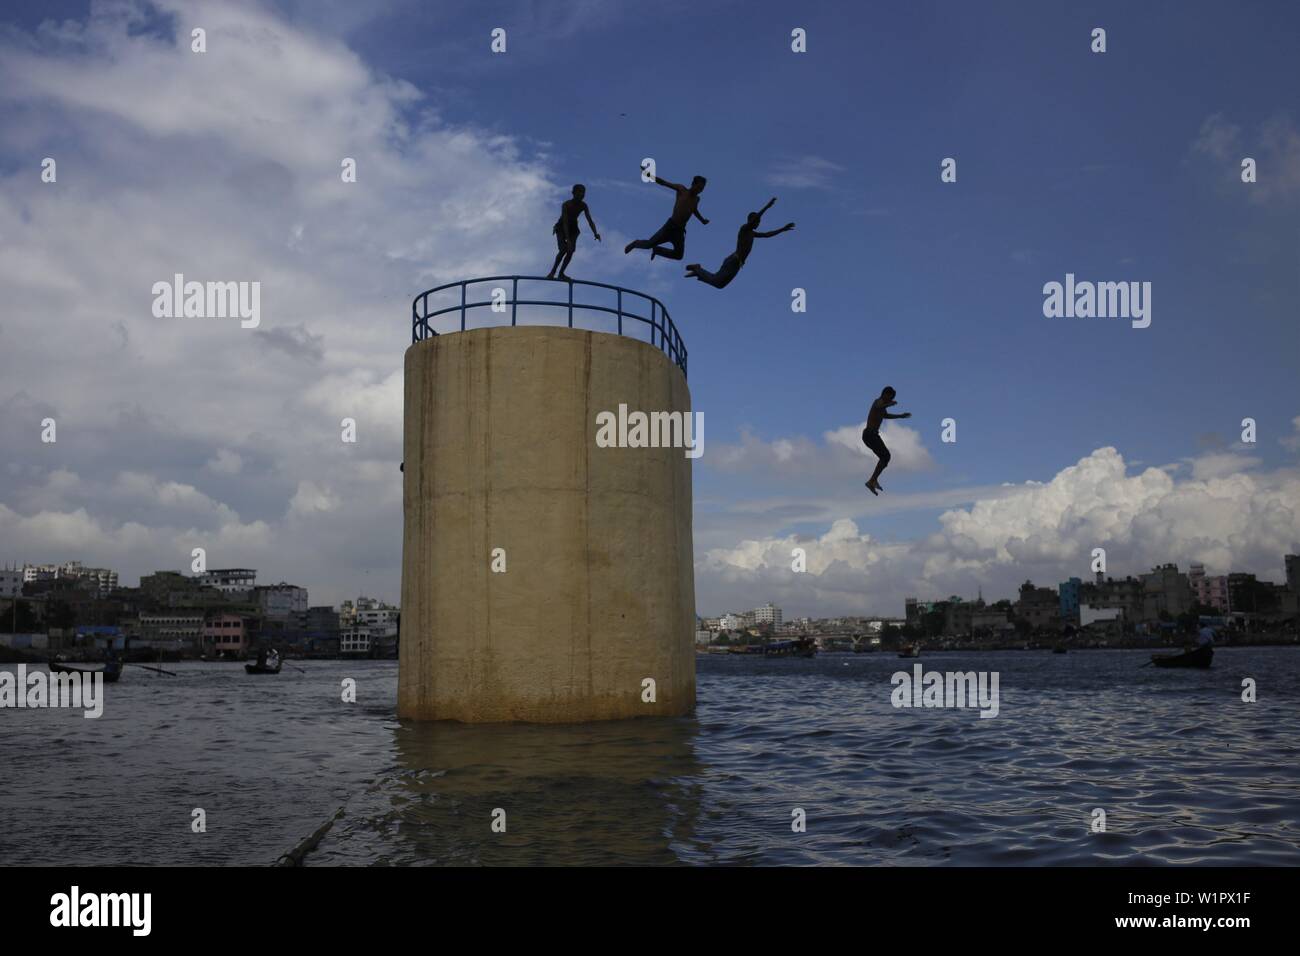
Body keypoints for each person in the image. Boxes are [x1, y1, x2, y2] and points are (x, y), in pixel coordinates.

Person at [685, 197, 794, 289]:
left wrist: (782, 229)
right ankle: (698, 269)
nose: (758, 224)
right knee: (717, 281)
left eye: (759, 222)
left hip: (737, 263)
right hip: (734, 260)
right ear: (751, 221)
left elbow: (767, 234)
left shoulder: (752, 233)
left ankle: (698, 272)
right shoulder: (744, 229)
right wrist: (767, 207)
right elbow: (754, 220)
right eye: (757, 221)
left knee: (720, 284)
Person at [625, 171, 708, 261]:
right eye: (698, 188)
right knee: (649, 244)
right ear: (693, 184)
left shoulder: (696, 199)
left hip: (679, 231)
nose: (699, 191)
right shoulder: (681, 189)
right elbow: (663, 183)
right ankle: (635, 243)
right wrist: (650, 176)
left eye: (701, 189)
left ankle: (657, 250)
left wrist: (702, 220)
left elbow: (694, 210)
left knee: (678, 255)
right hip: (670, 227)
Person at [863, 386, 911, 495]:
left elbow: (885, 415)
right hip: (869, 435)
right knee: (886, 456)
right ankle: (872, 481)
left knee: (885, 457)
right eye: (890, 398)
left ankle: (872, 480)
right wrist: (889, 404)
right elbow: (879, 406)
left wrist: (900, 416)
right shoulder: (878, 402)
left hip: (872, 435)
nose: (890, 400)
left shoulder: (882, 406)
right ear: (885, 394)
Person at [547, 184, 600, 280]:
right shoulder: (566, 205)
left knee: (570, 251)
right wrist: (568, 239)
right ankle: (552, 272)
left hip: (573, 229)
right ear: (574, 193)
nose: (582, 195)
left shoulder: (583, 205)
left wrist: (595, 233)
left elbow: (589, 220)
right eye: (579, 192)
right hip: (562, 227)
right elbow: (565, 223)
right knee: (563, 250)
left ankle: (561, 273)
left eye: (583, 193)